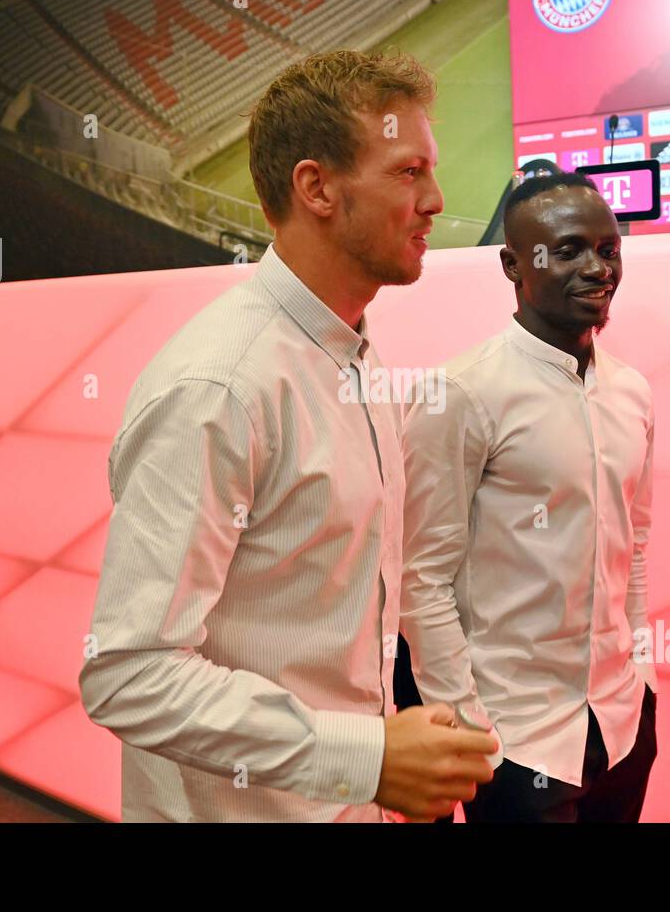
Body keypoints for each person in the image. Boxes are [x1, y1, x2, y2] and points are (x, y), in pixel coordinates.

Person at [79, 49, 496, 822]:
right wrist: (366, 758)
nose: (437, 199)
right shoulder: (217, 387)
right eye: (408, 172)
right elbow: (128, 673)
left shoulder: (358, 359)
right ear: (317, 188)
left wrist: (390, 751)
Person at [400, 171, 659, 822]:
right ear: (513, 265)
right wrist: (464, 723)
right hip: (515, 740)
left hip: (622, 723)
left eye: (608, 249)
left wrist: (645, 675)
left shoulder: (633, 393)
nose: (597, 267)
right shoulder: (461, 393)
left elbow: (637, 542)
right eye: (568, 250)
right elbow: (422, 578)